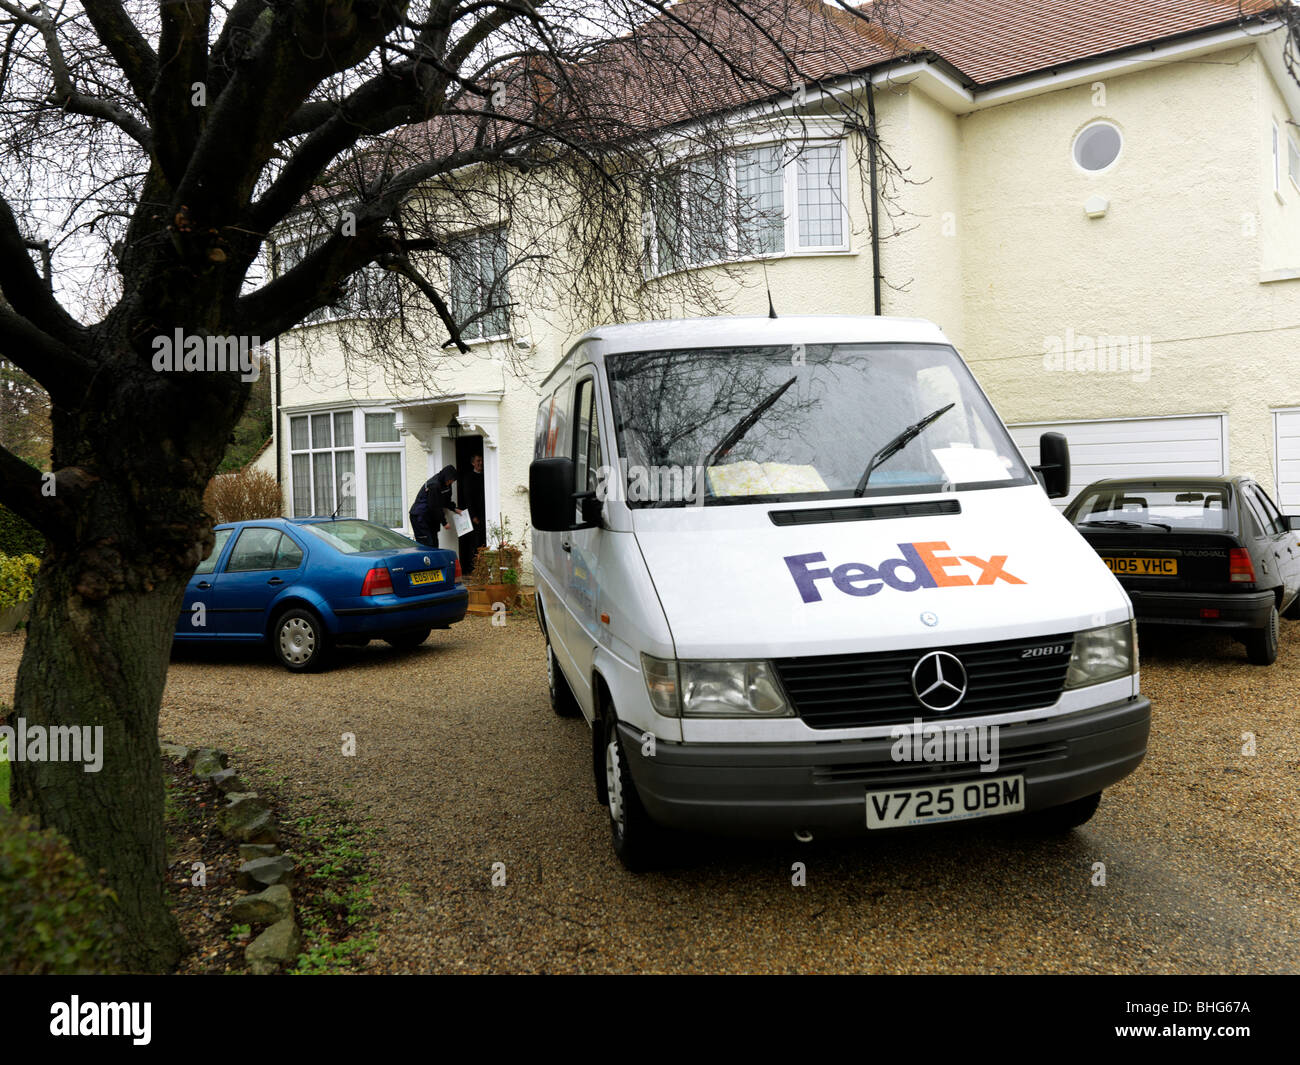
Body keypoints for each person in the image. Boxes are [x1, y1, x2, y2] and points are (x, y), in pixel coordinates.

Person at [409, 464, 461, 547]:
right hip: (420, 517)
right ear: (446, 476)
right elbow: (434, 506)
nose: (451, 482)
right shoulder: (434, 485)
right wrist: (444, 523)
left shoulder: (447, 484)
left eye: (453, 480)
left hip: (431, 517)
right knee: (426, 545)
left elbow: (445, 501)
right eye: (450, 480)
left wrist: (454, 508)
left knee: (434, 543)